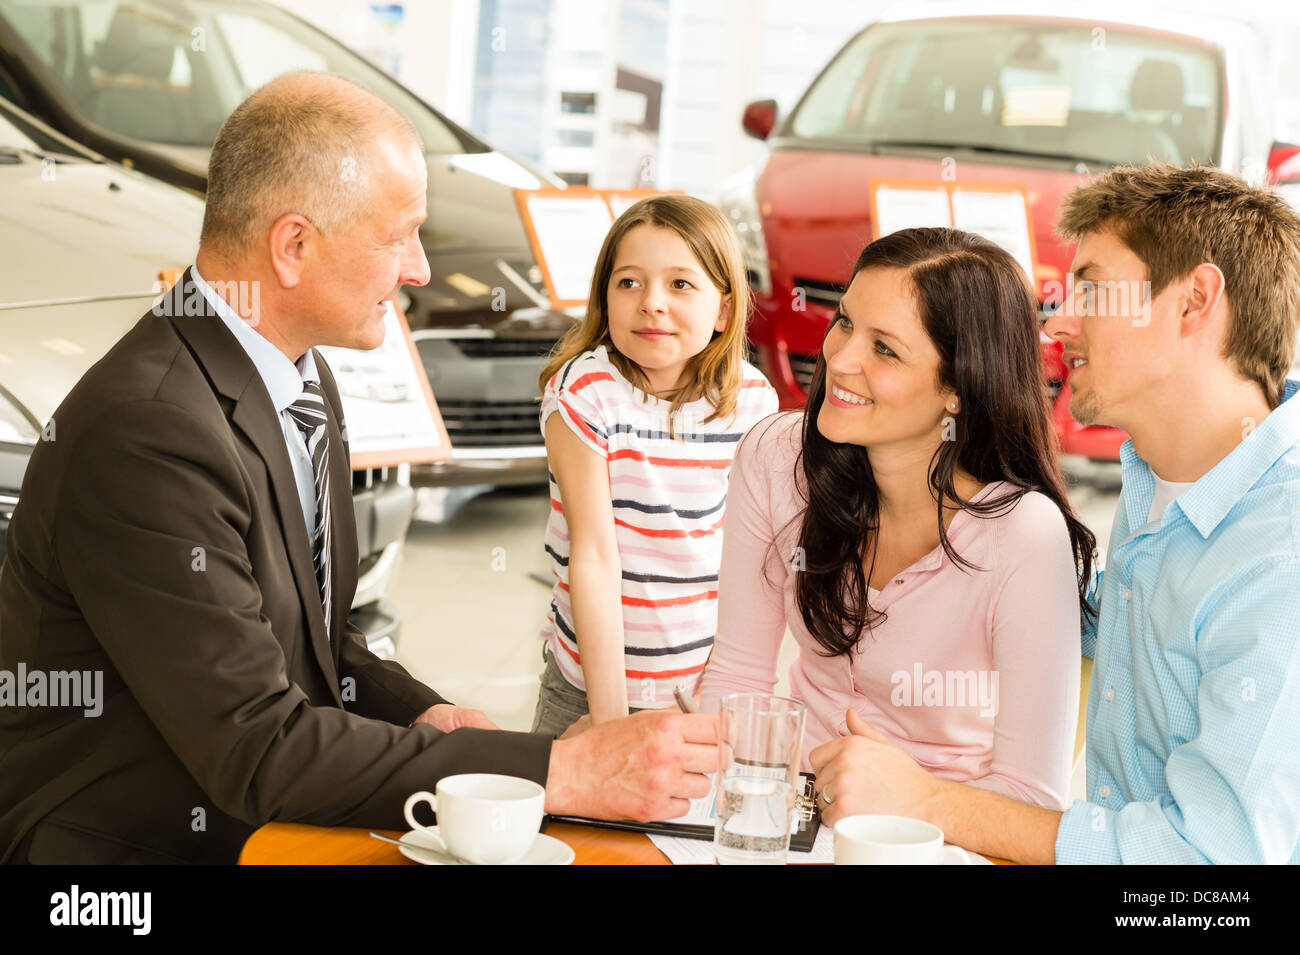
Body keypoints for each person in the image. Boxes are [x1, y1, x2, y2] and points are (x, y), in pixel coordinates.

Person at [0, 72, 715, 865]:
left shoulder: (296, 371)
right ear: (294, 246)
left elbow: (308, 638)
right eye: (398, 235)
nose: (420, 269)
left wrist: (422, 713)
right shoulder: (150, 431)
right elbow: (259, 746)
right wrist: (561, 769)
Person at [810, 164, 1300, 865]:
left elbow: (1212, 863)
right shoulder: (1161, 475)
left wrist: (928, 800)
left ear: (1196, 301)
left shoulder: (1282, 553)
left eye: (1093, 289)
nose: (1060, 321)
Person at [699, 227, 1097, 811]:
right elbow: (736, 678)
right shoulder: (776, 456)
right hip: (792, 810)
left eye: (885, 348)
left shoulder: (1024, 534)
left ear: (958, 388)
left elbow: (1032, 797)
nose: (839, 358)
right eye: (845, 323)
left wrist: (905, 804)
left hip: (945, 834)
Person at [530, 196, 779, 738]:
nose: (652, 304)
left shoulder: (753, 401)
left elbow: (752, 559)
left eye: (681, 284)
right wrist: (609, 723)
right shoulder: (585, 392)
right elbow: (593, 555)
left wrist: (717, 694)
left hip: (697, 690)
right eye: (630, 283)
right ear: (605, 297)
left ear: (724, 311)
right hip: (588, 689)